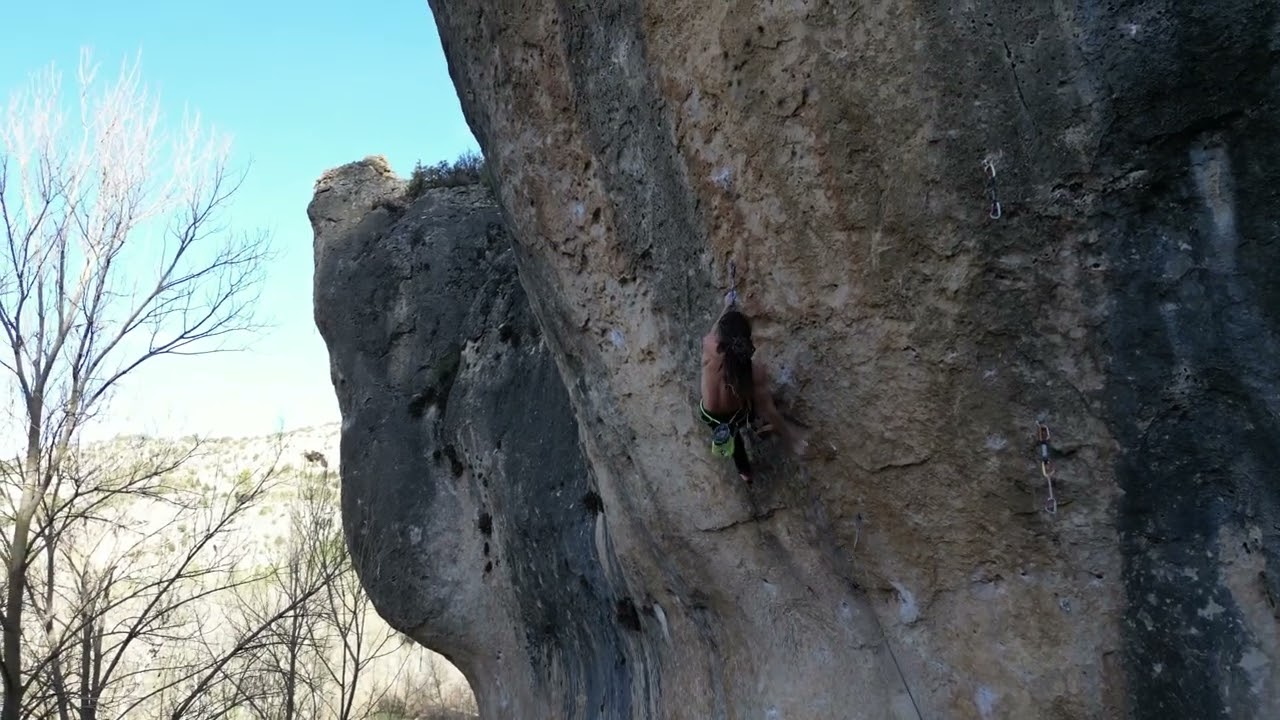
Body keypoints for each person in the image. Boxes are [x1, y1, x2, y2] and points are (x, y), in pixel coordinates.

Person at [698, 291, 806, 483]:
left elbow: (715, 331)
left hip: (710, 413)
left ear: (720, 339)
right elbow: (769, 411)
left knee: (733, 439)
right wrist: (790, 437)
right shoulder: (754, 372)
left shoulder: (709, 348)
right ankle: (758, 426)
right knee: (760, 402)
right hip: (739, 415)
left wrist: (726, 306)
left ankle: (745, 473)